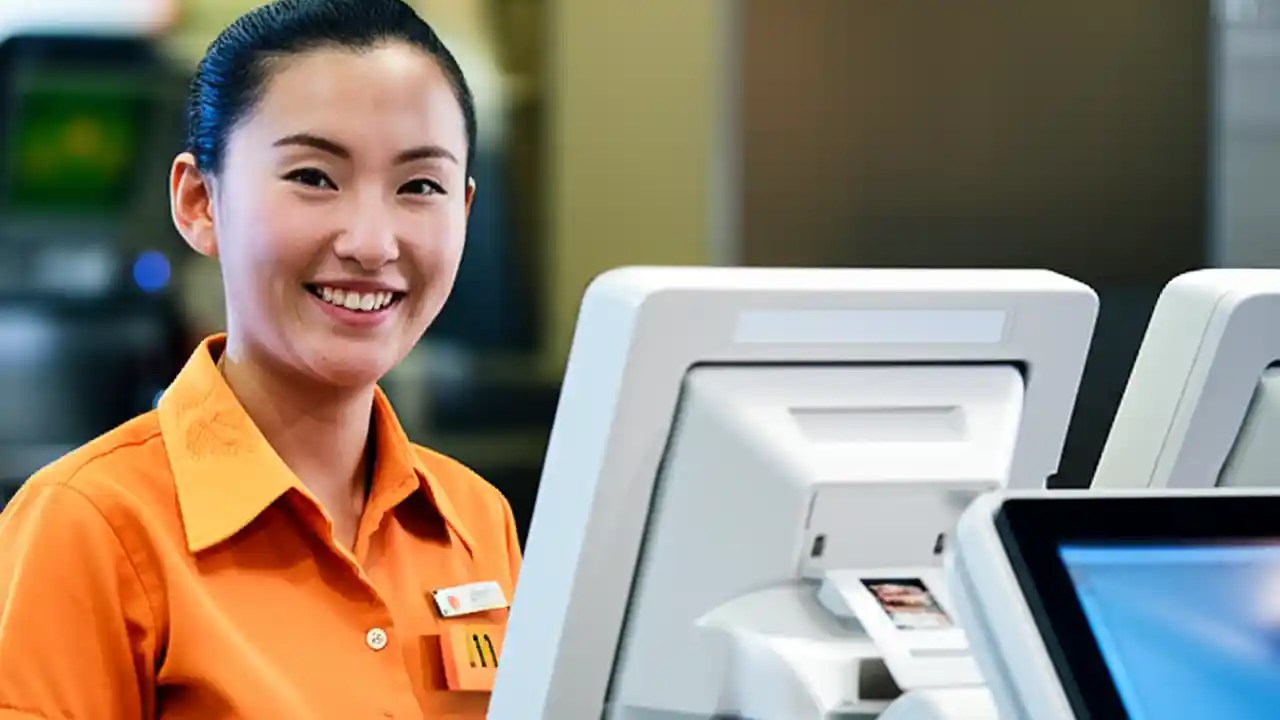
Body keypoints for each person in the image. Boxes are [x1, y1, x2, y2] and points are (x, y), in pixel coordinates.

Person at [0, 1, 520, 717]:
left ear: (464, 209)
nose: (372, 243)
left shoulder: (475, 519)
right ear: (199, 202)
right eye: (313, 176)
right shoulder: (88, 527)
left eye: (419, 187)